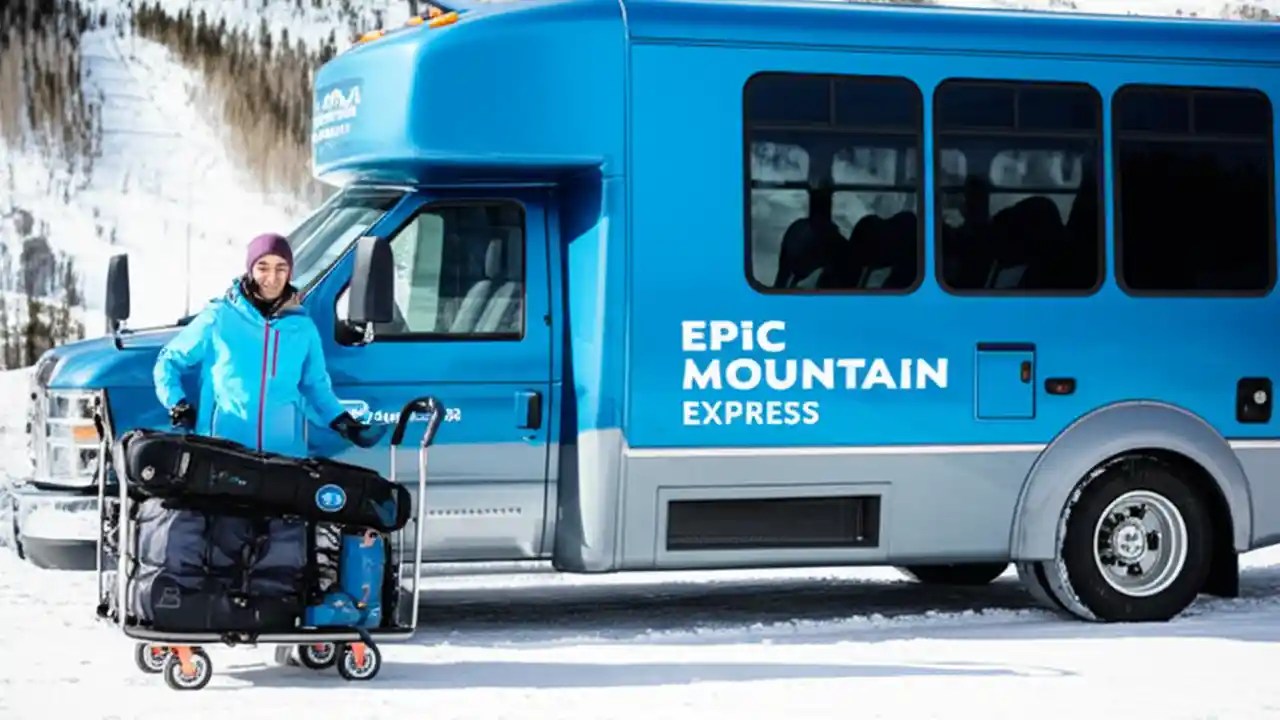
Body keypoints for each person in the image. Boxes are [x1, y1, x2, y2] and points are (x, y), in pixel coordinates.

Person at [153, 232, 383, 456]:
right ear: (250, 269)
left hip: (283, 456)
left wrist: (342, 422)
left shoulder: (302, 329)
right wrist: (177, 403)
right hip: (222, 451)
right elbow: (169, 361)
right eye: (263, 267)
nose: (272, 278)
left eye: (280, 268)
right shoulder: (219, 317)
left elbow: (315, 386)